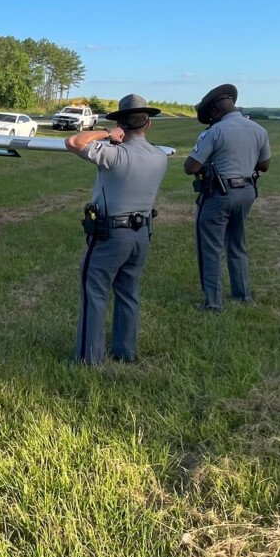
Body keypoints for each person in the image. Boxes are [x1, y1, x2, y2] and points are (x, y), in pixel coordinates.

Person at [65, 95, 169, 365]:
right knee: (128, 293)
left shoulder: (114, 154)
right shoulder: (159, 157)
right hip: (141, 233)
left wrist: (106, 133)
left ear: (121, 124)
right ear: (148, 124)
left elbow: (74, 142)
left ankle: (89, 359)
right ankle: (125, 351)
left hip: (111, 234)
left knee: (95, 293)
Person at [183, 83, 272, 312]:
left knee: (210, 248)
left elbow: (191, 167)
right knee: (237, 244)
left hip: (219, 194)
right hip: (247, 191)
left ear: (214, 111)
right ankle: (242, 294)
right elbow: (264, 164)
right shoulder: (258, 129)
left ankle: (213, 303)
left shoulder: (214, 132)